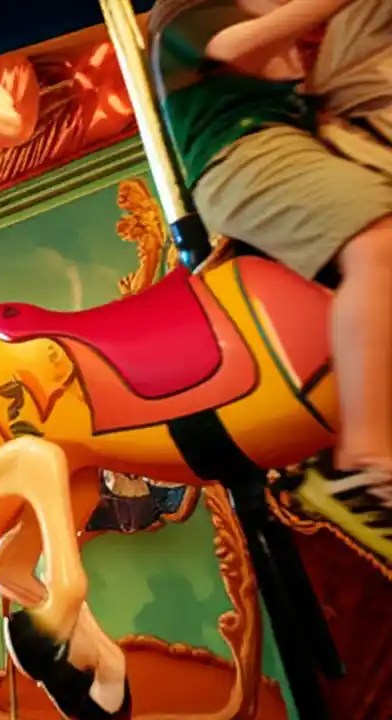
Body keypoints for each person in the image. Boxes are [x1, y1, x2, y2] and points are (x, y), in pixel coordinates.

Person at [149, 0, 392, 561]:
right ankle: (361, 458)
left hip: (294, 141)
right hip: (241, 156)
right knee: (377, 244)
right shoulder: (184, 15)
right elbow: (235, 47)